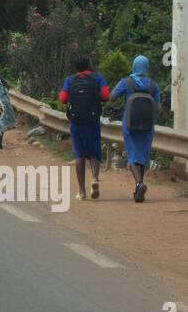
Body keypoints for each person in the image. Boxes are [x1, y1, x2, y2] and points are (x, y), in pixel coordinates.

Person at [108, 55, 162, 203]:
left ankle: (139, 183)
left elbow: (111, 97)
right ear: (147, 67)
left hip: (129, 123)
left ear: (134, 66)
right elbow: (158, 108)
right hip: (148, 125)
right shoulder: (153, 85)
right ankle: (139, 186)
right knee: (142, 156)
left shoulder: (126, 82)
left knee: (131, 155)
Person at [59, 55, 109, 199]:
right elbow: (106, 96)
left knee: (79, 154)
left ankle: (81, 191)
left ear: (76, 67)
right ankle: (94, 178)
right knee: (94, 151)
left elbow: (62, 99)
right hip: (93, 120)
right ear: (89, 65)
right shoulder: (98, 78)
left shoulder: (70, 80)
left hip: (76, 122)